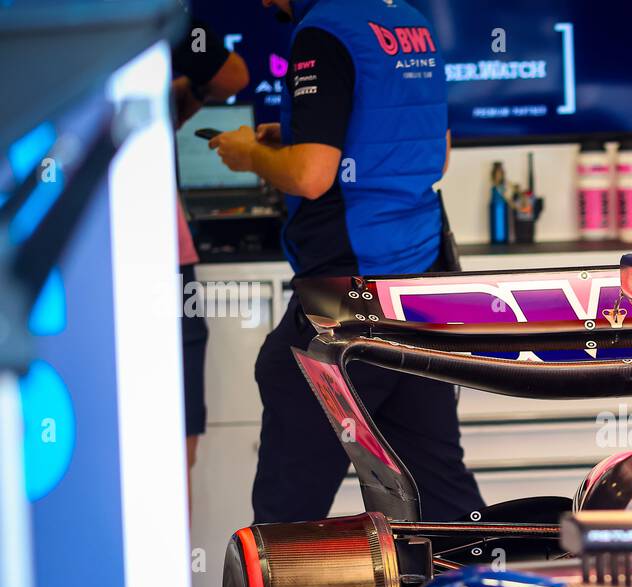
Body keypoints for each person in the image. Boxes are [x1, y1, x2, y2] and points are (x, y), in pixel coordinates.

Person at [209, 0, 484, 524]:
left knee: (289, 512)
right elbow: (434, 153)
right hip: (421, 289)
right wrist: (293, 137)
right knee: (436, 493)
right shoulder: (411, 24)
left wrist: (249, 155)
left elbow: (312, 177)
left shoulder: (321, 33)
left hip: (349, 295)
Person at [170, 12, 249, 490]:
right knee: (178, 441)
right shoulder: (163, 15)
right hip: (159, 250)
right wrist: (184, 100)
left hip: (49, 249)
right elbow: (233, 75)